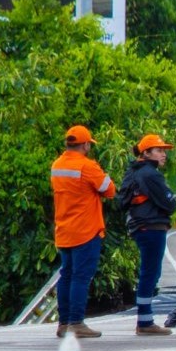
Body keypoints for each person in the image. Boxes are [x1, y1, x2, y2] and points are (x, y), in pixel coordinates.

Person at [50, 124, 114, 339]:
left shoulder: (57, 165)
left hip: (64, 230)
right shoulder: (87, 167)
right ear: (86, 145)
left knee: (66, 276)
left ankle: (64, 323)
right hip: (86, 231)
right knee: (81, 277)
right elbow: (110, 189)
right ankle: (77, 322)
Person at [123, 133, 176, 336]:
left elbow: (122, 201)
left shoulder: (133, 171)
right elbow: (169, 203)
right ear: (146, 153)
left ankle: (145, 319)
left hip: (140, 226)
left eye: (164, 151)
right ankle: (145, 321)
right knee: (150, 273)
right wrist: (171, 202)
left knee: (150, 272)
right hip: (152, 226)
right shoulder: (150, 174)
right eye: (159, 150)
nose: (164, 154)